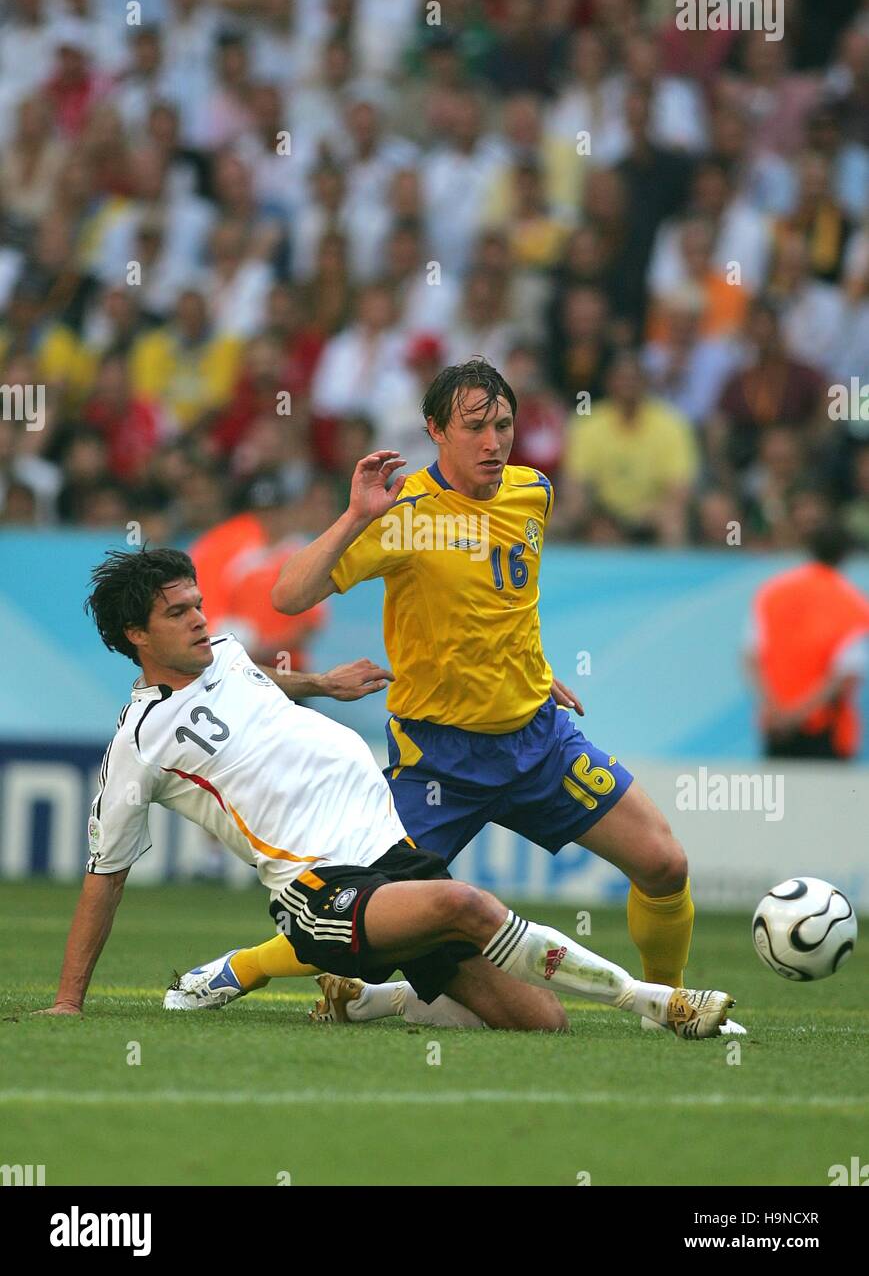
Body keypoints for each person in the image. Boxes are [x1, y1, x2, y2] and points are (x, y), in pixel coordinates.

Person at [37, 546, 734, 1040]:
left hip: (391, 857)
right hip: (319, 892)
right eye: (177, 613)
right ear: (136, 635)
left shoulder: (226, 655)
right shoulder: (139, 741)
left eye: (196, 603)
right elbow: (106, 874)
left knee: (541, 1024)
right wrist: (69, 1002)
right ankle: (656, 1002)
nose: (198, 618)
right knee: (465, 904)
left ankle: (371, 1000)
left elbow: (253, 685)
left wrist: (322, 684)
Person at [240, 356, 741, 1035]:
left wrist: (527, 667)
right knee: (360, 911)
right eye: (474, 426)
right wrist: (355, 515)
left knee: (663, 862)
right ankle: (242, 969)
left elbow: (501, 603)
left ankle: (665, 1007)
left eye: (503, 424)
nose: (492, 441)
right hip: (439, 760)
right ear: (435, 431)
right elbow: (286, 595)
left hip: (537, 739)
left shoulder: (532, 492)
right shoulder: (400, 513)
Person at [745, 522, 869, 760]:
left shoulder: (772, 593)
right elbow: (845, 675)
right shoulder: (852, 604)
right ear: (845, 555)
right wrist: (798, 714)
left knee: (777, 795)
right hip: (825, 729)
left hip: (776, 725)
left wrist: (775, 709)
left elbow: (751, 657)